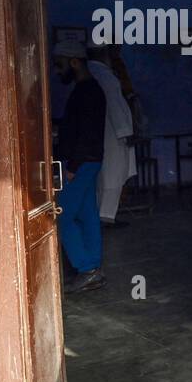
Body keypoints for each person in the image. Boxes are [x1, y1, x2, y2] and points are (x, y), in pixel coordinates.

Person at [52, 40, 108, 293]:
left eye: (60, 64)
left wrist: (73, 165)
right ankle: (93, 270)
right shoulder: (88, 89)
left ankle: (86, 268)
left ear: (75, 62)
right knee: (87, 217)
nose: (57, 70)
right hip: (88, 160)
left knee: (62, 215)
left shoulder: (87, 91)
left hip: (82, 162)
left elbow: (86, 132)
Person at [85, 45, 137, 226]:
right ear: (104, 53)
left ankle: (104, 215)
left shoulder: (93, 71)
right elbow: (115, 105)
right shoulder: (105, 76)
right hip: (113, 134)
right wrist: (126, 132)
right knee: (113, 175)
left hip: (102, 133)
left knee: (105, 177)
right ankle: (106, 216)